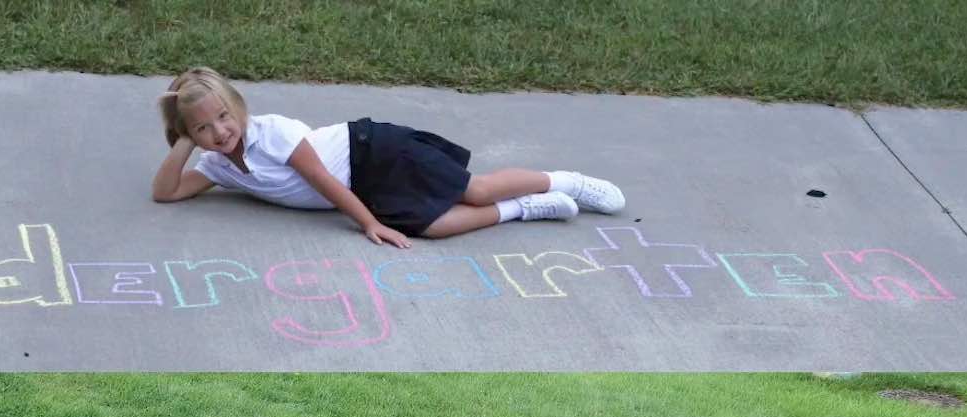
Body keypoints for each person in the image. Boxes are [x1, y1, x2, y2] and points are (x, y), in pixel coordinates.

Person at [150, 67, 626, 248]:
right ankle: (525, 208)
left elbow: (323, 182)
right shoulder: (215, 166)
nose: (219, 131)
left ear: (238, 107)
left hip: (372, 154)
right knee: (434, 228)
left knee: (473, 188)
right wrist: (185, 143)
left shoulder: (272, 134)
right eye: (202, 128)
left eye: (223, 117)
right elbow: (167, 193)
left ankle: (565, 181)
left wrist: (367, 224)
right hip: (364, 190)